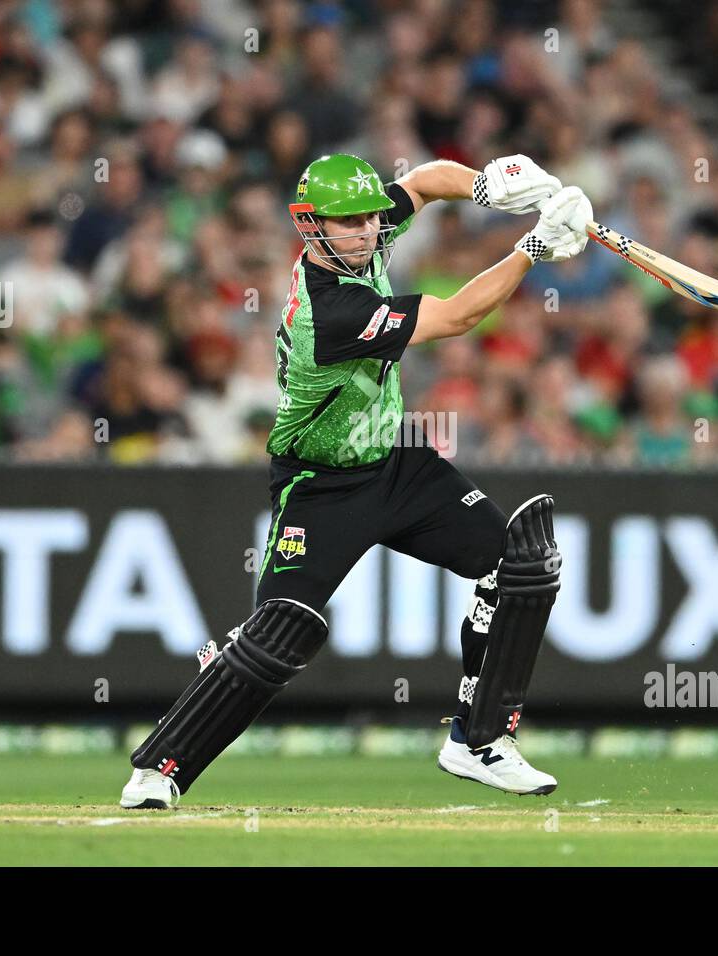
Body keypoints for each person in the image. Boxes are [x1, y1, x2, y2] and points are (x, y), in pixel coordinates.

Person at [120, 154, 591, 808]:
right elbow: (455, 318)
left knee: (522, 562)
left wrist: (489, 186)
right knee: (280, 633)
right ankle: (160, 768)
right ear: (312, 226)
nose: (368, 232)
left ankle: (478, 740)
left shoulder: (358, 235)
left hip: (395, 461)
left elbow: (424, 182)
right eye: (350, 223)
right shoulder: (330, 311)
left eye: (372, 218)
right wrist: (534, 247)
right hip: (320, 485)